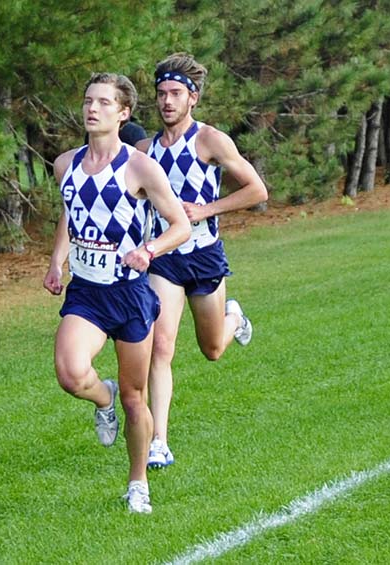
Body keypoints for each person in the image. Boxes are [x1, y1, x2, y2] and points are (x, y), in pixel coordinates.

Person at [44, 72, 191, 513]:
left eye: (104, 103)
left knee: (135, 398)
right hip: (87, 292)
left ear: (123, 113)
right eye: (89, 100)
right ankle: (99, 397)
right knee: (70, 373)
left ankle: (138, 482)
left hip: (129, 295)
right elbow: (73, 213)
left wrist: (150, 249)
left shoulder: (140, 166)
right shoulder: (65, 164)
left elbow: (181, 226)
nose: (93, 108)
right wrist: (57, 259)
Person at [135, 52, 268, 468]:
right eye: (161, 94)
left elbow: (257, 191)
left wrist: (206, 210)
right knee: (161, 344)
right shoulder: (144, 149)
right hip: (164, 258)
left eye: (175, 93)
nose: (167, 102)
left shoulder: (210, 140)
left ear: (192, 98)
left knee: (211, 349)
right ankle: (159, 440)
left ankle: (234, 320)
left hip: (205, 256)